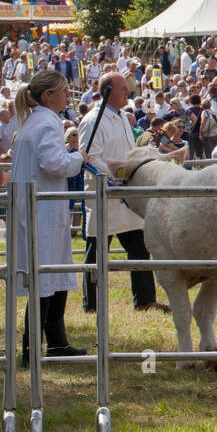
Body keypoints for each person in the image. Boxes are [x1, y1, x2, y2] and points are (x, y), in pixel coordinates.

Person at [11, 69, 87, 366]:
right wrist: (78, 159)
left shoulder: (39, 121)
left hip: (43, 209)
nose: (68, 94)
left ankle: (56, 341)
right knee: (43, 278)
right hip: (41, 211)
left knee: (53, 274)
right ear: (48, 95)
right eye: (63, 90)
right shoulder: (45, 123)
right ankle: (31, 349)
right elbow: (54, 163)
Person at [77, 72, 167, 315]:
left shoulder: (121, 118)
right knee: (96, 250)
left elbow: (128, 151)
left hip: (126, 194)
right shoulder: (92, 120)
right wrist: (117, 176)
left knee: (139, 246)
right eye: (122, 89)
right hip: (105, 194)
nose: (128, 92)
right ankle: (92, 305)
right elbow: (89, 158)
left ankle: (145, 300)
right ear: (107, 91)